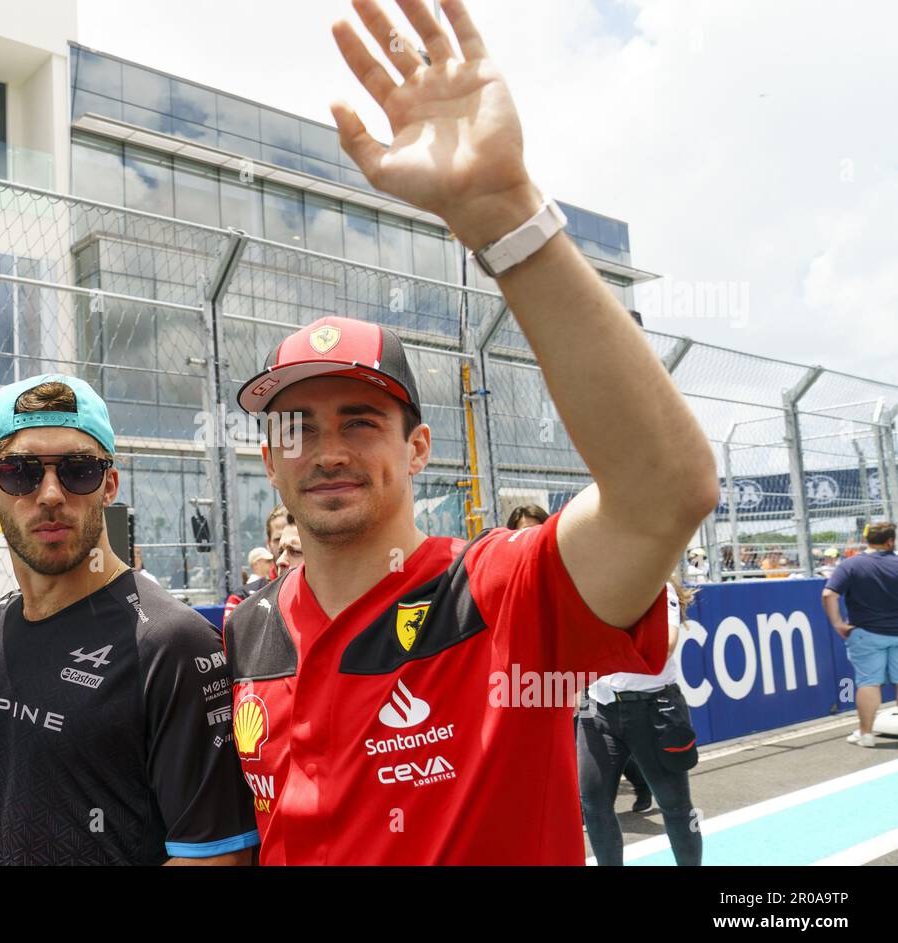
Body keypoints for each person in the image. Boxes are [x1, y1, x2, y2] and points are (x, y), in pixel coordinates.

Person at [221, 0, 717, 865]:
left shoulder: (499, 593)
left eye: (363, 421)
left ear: (419, 448)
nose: (327, 449)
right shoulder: (243, 628)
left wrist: (502, 213)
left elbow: (667, 493)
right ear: (270, 457)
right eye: (298, 426)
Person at [0, 374, 257, 866]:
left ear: (110, 485)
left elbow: (214, 858)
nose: (51, 493)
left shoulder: (172, 643)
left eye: (78, 470)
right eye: (20, 472)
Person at [578, 576, 702, 865]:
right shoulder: (588, 587)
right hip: (595, 707)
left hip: (653, 707)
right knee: (593, 805)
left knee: (675, 806)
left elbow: (665, 646)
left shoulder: (658, 587)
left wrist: (602, 652)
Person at [823, 521, 898, 748]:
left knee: (868, 683)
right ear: (890, 541)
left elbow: (828, 594)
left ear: (867, 540)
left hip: (865, 632)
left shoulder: (851, 564)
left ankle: (866, 734)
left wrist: (838, 624)